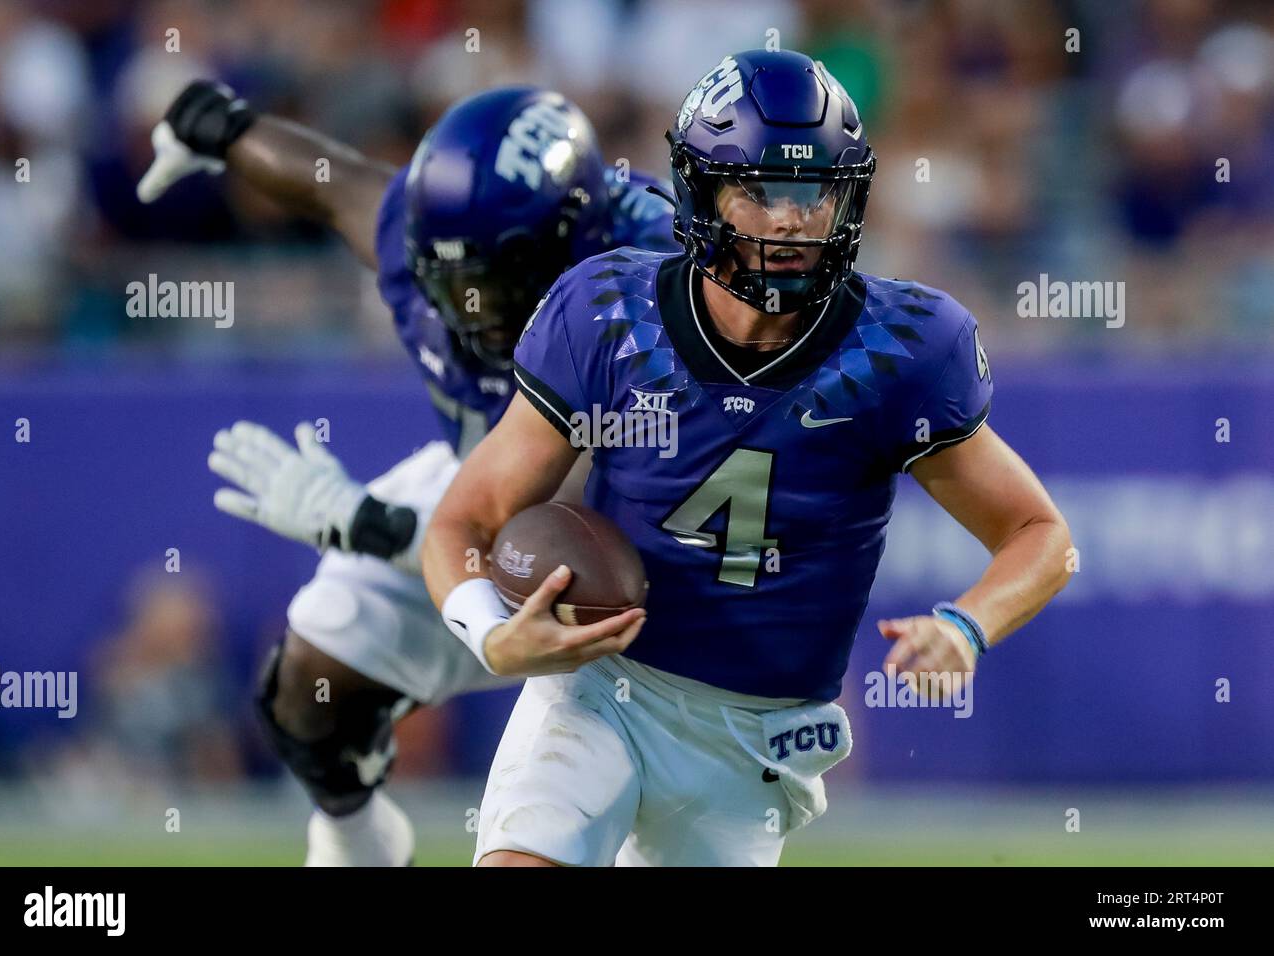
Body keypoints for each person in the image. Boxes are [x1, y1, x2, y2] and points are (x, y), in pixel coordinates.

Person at [421, 49, 1073, 867]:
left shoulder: (904, 349)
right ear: (702, 191)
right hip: (602, 692)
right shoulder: (607, 313)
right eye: (761, 189)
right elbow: (465, 519)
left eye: (813, 191)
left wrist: (968, 627)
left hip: (755, 742)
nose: (792, 218)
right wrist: (491, 636)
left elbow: (1040, 534)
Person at [138, 81, 676, 865]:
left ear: (573, 241)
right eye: (450, 276)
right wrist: (222, 125)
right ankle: (360, 841)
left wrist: (371, 525)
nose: (469, 303)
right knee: (310, 673)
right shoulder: (438, 240)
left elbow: (559, 527)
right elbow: (335, 184)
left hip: (644, 541)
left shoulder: (652, 289)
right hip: (488, 480)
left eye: (495, 274)